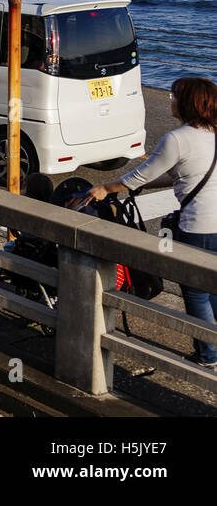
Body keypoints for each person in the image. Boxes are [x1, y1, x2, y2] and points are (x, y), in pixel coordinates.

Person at [75, 77, 217, 367]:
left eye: (174, 96)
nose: (171, 101)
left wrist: (106, 187)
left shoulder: (177, 139)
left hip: (198, 227)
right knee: (212, 286)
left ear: (188, 103)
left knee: (195, 291)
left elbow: (140, 174)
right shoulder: (213, 134)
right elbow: (182, 174)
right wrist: (144, 186)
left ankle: (209, 355)